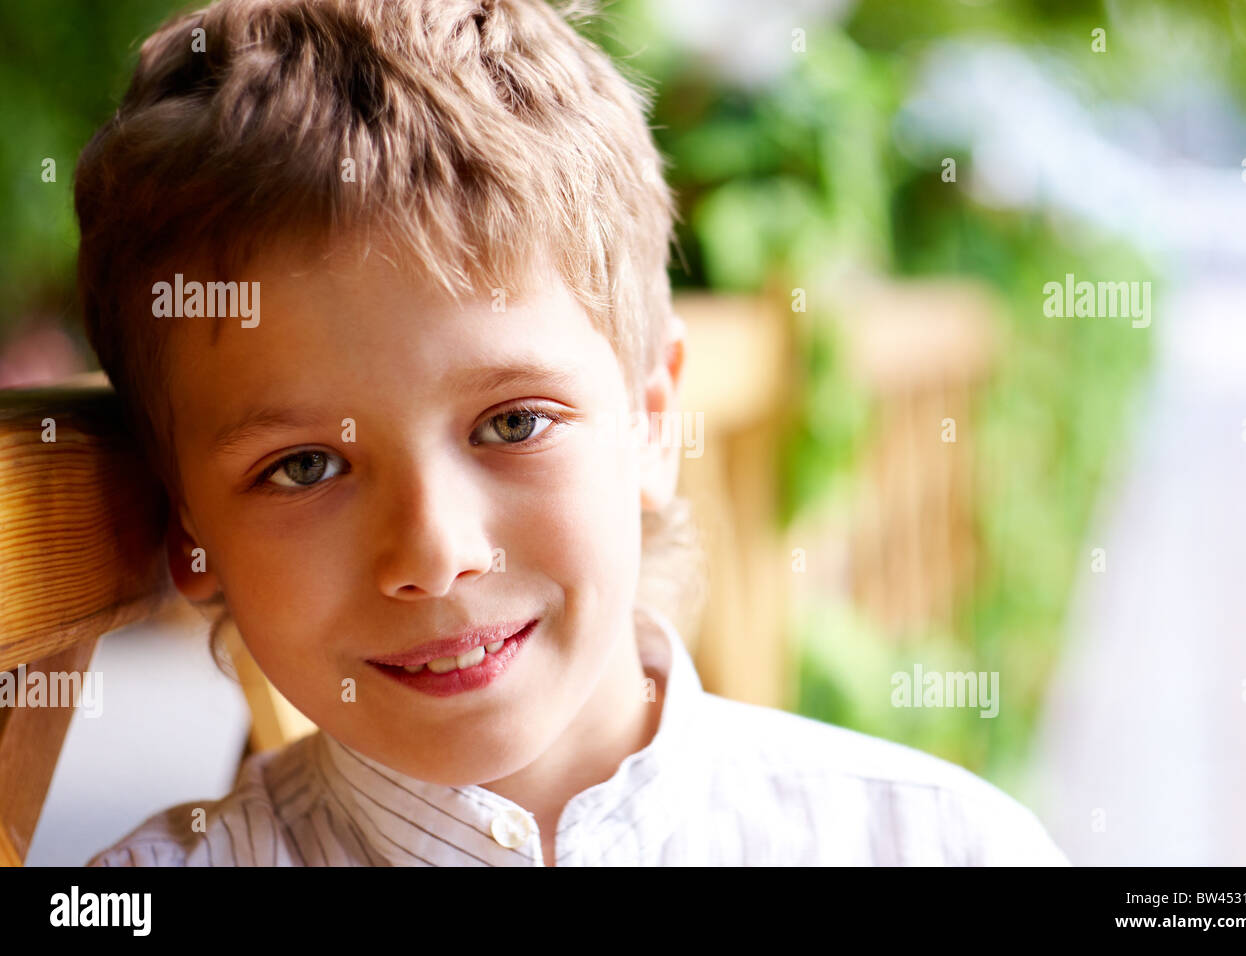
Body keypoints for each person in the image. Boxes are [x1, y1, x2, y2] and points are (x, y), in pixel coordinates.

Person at [78, 0, 1068, 866]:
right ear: (188, 530)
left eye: (512, 421)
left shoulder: (938, 845)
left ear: (649, 419)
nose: (434, 553)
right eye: (304, 466)